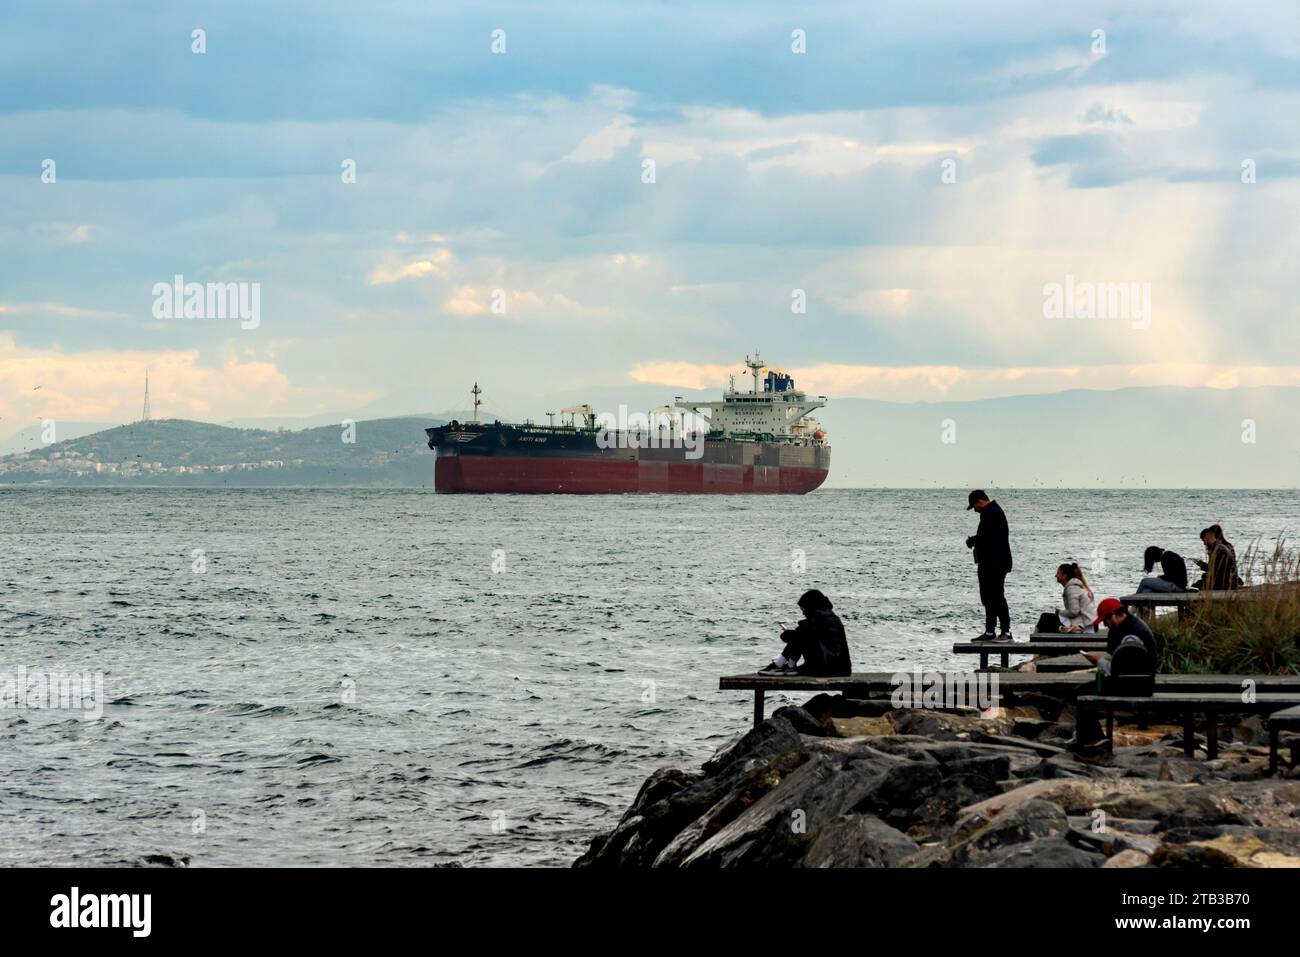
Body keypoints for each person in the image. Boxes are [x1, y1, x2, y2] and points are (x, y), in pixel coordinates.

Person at [1074, 597, 1160, 748]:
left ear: (1113, 615)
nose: (1105, 625)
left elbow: (1122, 669)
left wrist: (1098, 662)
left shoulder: (1131, 635)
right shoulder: (1129, 626)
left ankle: (1092, 739)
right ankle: (1092, 737)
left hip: (1134, 685)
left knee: (1081, 693)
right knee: (1084, 691)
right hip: (1139, 682)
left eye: (1105, 621)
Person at [758, 589, 851, 676]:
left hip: (827, 668)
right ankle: (787, 664)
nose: (803, 613)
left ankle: (781, 663)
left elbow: (797, 636)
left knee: (800, 635)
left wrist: (787, 634)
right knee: (801, 634)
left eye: (803, 609)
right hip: (840, 668)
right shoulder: (830, 619)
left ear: (811, 607)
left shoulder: (820, 621)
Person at [965, 490, 1013, 642]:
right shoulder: (991, 512)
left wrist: (973, 541)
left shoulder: (992, 513)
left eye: (974, 506)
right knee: (988, 598)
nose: (974, 510)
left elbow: (990, 539)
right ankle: (990, 631)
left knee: (996, 597)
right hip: (991, 563)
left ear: (979, 501)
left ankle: (1006, 632)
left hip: (995, 563)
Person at [1190, 526, 1241, 591]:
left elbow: (1217, 572)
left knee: (1195, 587)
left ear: (1207, 538)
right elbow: (1217, 569)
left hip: (1223, 584)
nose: (1204, 543)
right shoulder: (1220, 547)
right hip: (1227, 581)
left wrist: (1204, 568)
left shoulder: (1218, 550)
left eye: (1203, 540)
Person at [1054, 562, 1098, 633]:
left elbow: (1074, 612)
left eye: (1058, 573)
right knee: (1048, 620)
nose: (1056, 575)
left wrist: (1060, 612)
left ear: (1065, 575)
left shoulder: (1071, 588)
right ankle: (1063, 629)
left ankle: (1065, 629)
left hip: (1088, 626)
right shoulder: (1077, 586)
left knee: (1045, 618)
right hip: (1091, 623)